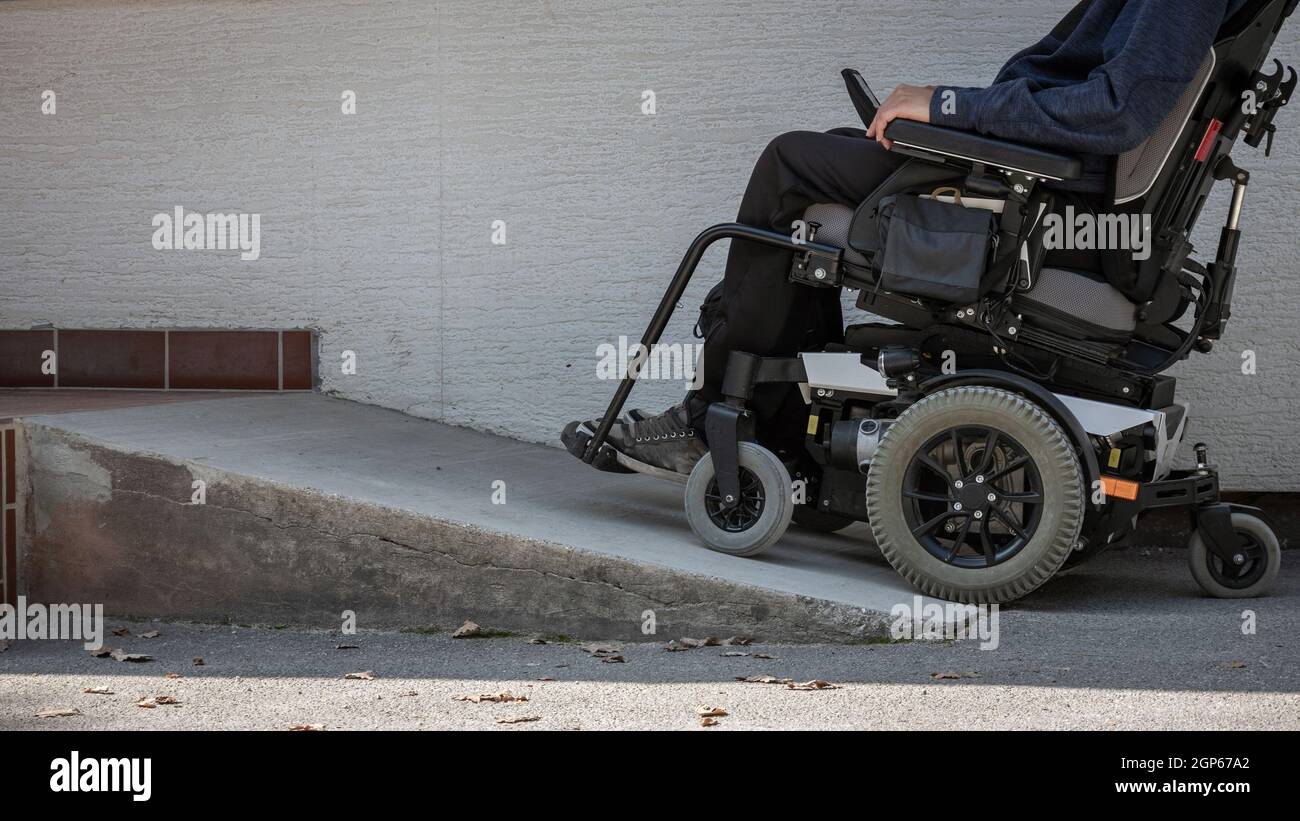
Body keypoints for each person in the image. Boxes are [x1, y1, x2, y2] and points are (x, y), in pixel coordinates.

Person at [564, 0, 1251, 476]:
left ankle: (713, 420)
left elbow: (1114, 113)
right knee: (828, 160)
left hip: (1047, 215)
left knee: (792, 165)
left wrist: (949, 108)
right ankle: (762, 425)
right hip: (1056, 198)